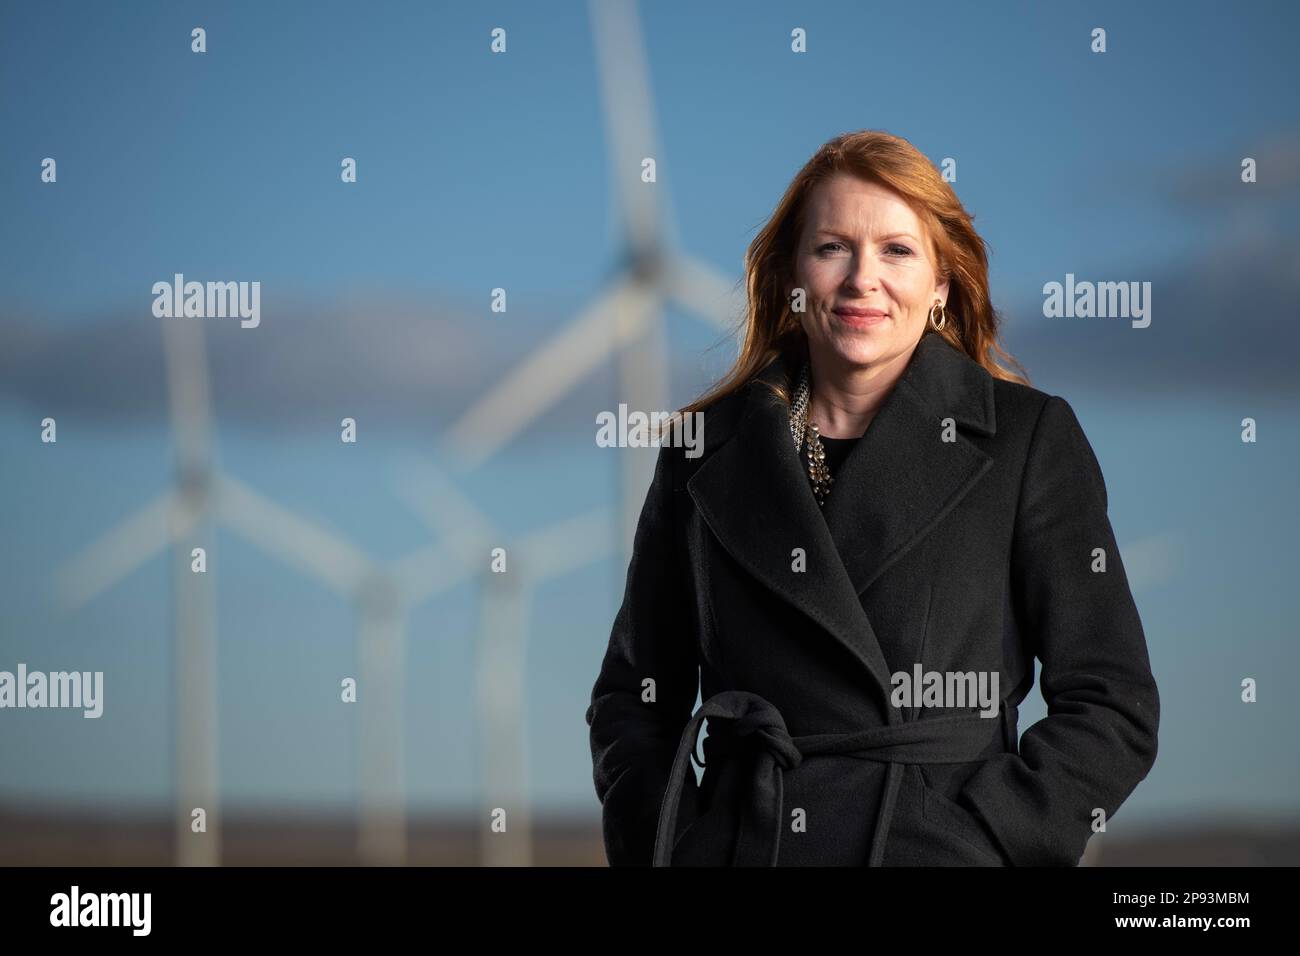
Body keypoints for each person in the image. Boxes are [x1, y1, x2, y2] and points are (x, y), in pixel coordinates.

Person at [584, 129, 1159, 866]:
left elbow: (1114, 701)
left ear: (942, 284)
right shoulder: (701, 449)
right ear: (791, 275)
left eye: (897, 251)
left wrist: (989, 839)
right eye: (832, 248)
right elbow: (635, 696)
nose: (863, 279)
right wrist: (671, 844)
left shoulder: (1027, 440)